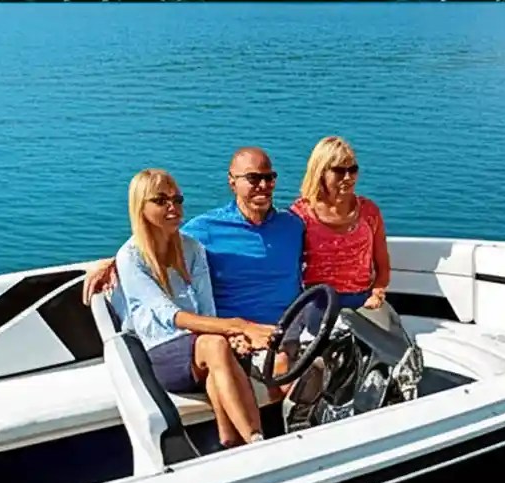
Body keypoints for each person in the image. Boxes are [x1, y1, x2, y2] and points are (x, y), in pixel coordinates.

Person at [112, 168, 277, 448]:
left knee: (219, 351)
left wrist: (229, 335)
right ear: (141, 206)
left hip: (203, 347)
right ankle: (256, 441)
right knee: (216, 346)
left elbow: (207, 309)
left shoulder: (192, 248)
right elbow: (172, 317)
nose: (172, 207)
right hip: (162, 352)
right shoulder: (130, 258)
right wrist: (238, 326)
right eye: (161, 201)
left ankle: (230, 442)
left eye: (177, 200)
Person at [290, 136, 391, 310]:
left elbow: (383, 266)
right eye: (339, 171)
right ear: (321, 172)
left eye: (353, 170)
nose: (348, 177)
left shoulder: (369, 212)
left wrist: (376, 293)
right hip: (316, 302)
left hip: (362, 301)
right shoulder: (300, 215)